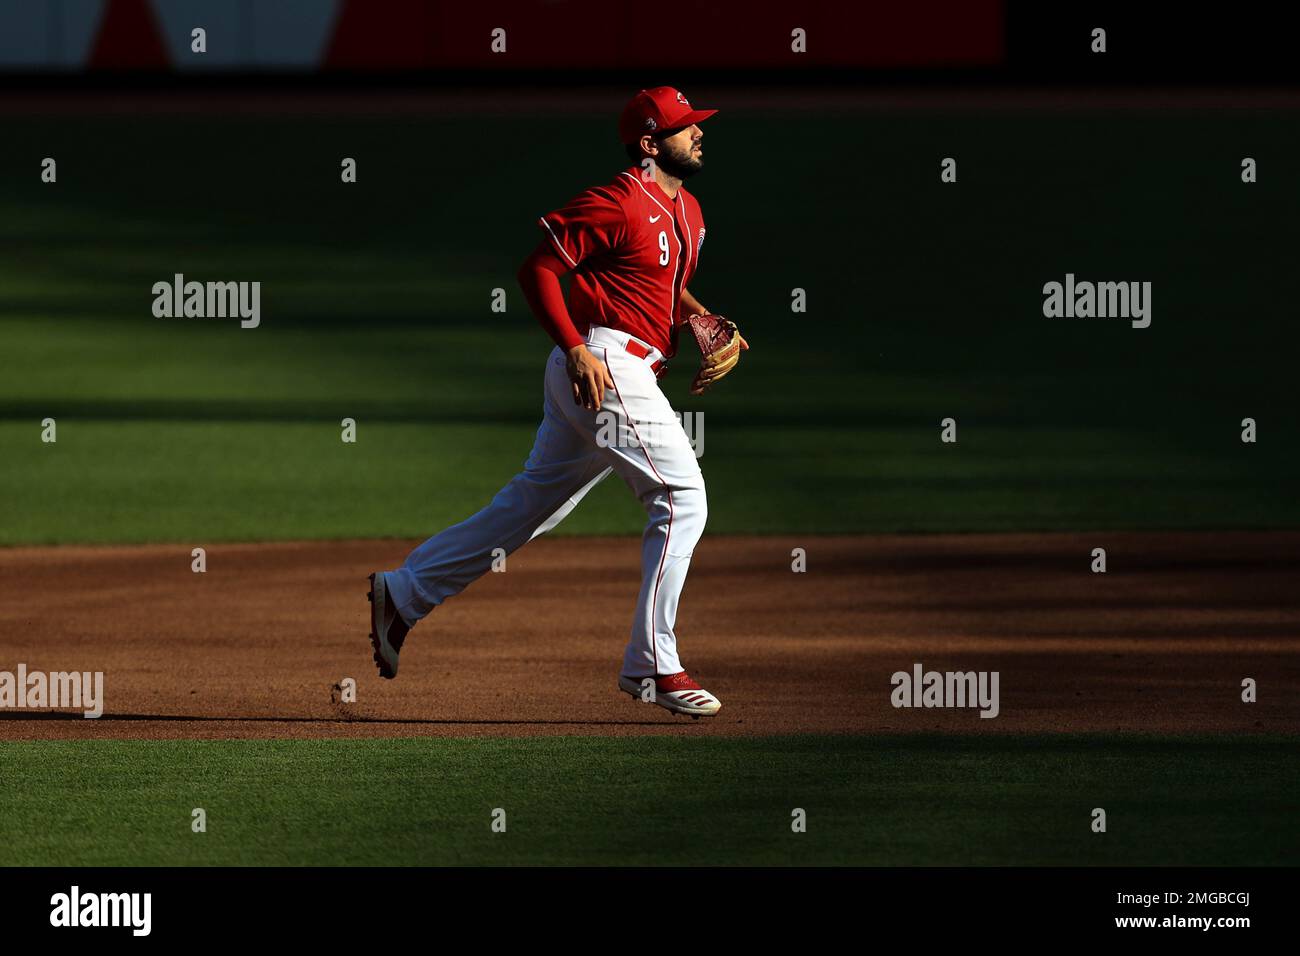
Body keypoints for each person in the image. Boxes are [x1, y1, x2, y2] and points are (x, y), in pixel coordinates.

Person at [367, 87, 746, 718]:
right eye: (686, 128)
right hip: (603, 364)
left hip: (620, 369)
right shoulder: (618, 199)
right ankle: (652, 663)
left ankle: (404, 594)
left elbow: (661, 285)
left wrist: (707, 321)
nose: (699, 135)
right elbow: (538, 269)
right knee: (681, 496)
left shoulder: (690, 210)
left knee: (530, 505)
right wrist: (573, 347)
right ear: (651, 145)